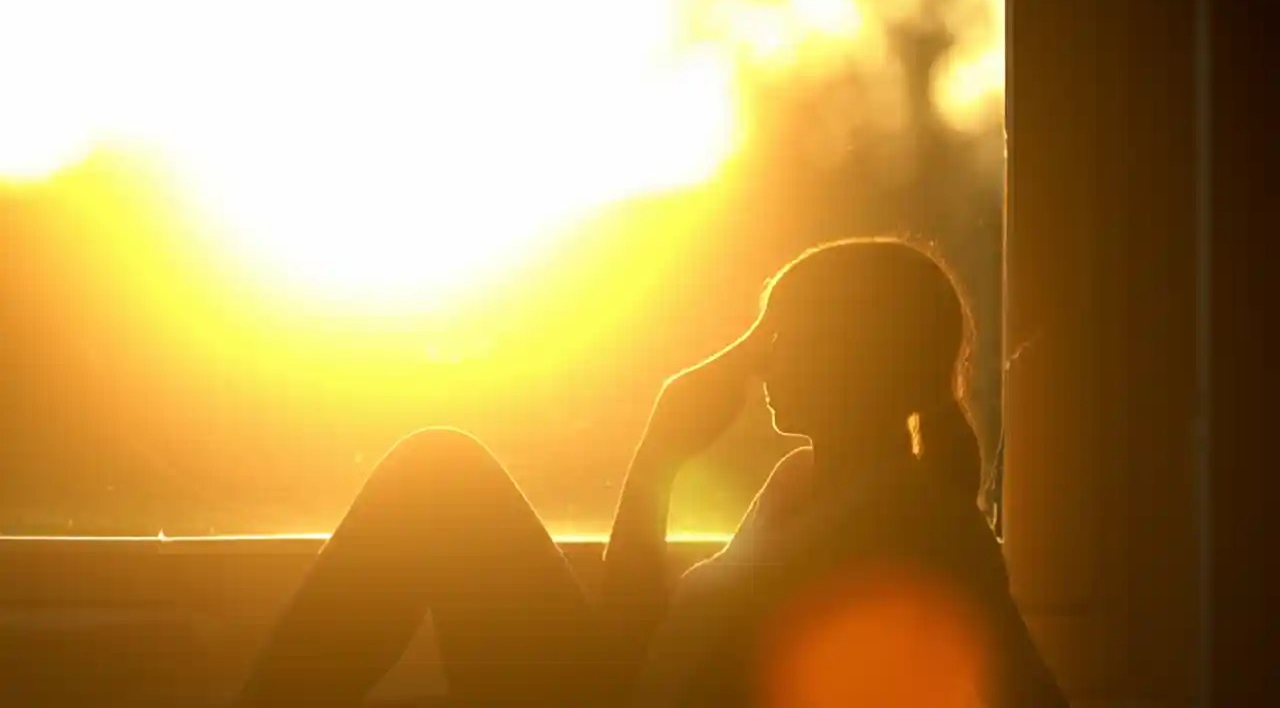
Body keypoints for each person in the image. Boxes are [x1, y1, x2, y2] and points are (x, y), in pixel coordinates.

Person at [236, 238, 1067, 707]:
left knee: (439, 476)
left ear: (860, 356)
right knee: (437, 475)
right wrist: (663, 448)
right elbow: (637, 645)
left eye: (785, 337)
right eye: (761, 335)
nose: (758, 363)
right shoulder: (800, 489)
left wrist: (664, 449)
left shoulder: (912, 523)